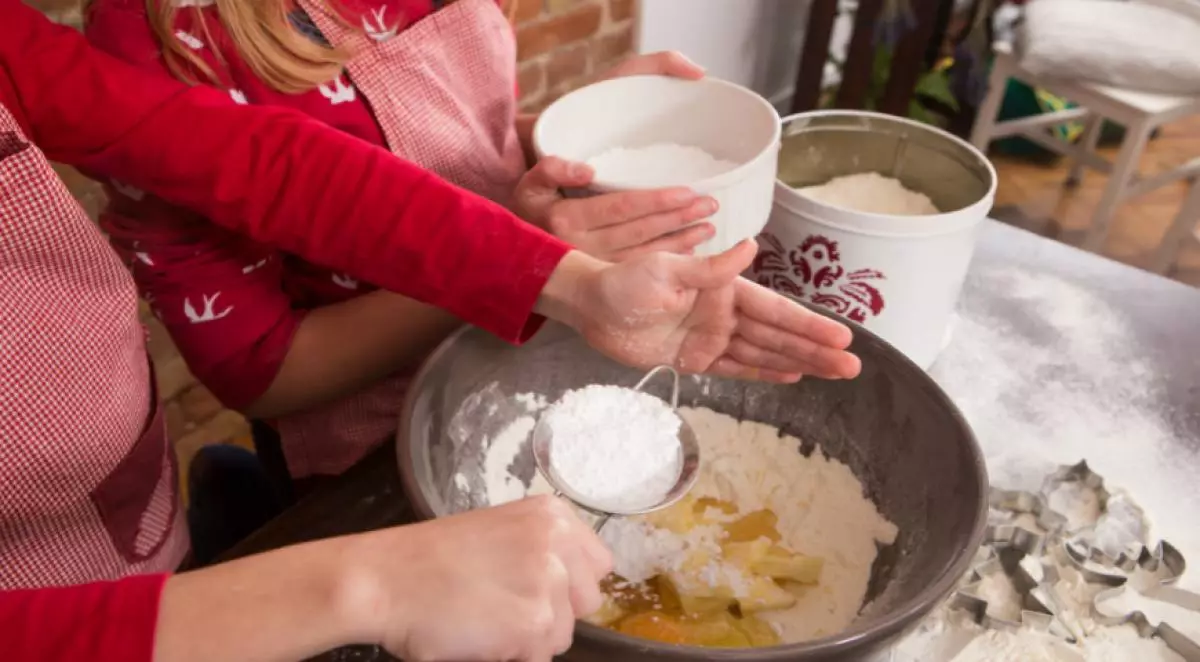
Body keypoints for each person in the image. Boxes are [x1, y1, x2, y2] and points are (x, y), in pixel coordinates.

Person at [0, 2, 859, 659]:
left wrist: (563, 269)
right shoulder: (172, 36)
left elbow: (266, 162)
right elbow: (261, 361)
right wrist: (365, 586)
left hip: (120, 518)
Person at [84, 0, 727, 501]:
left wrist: (583, 132)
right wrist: (521, 266)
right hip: (371, 444)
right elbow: (261, 371)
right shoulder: (161, 43)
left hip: (524, 359)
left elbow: (466, 139)